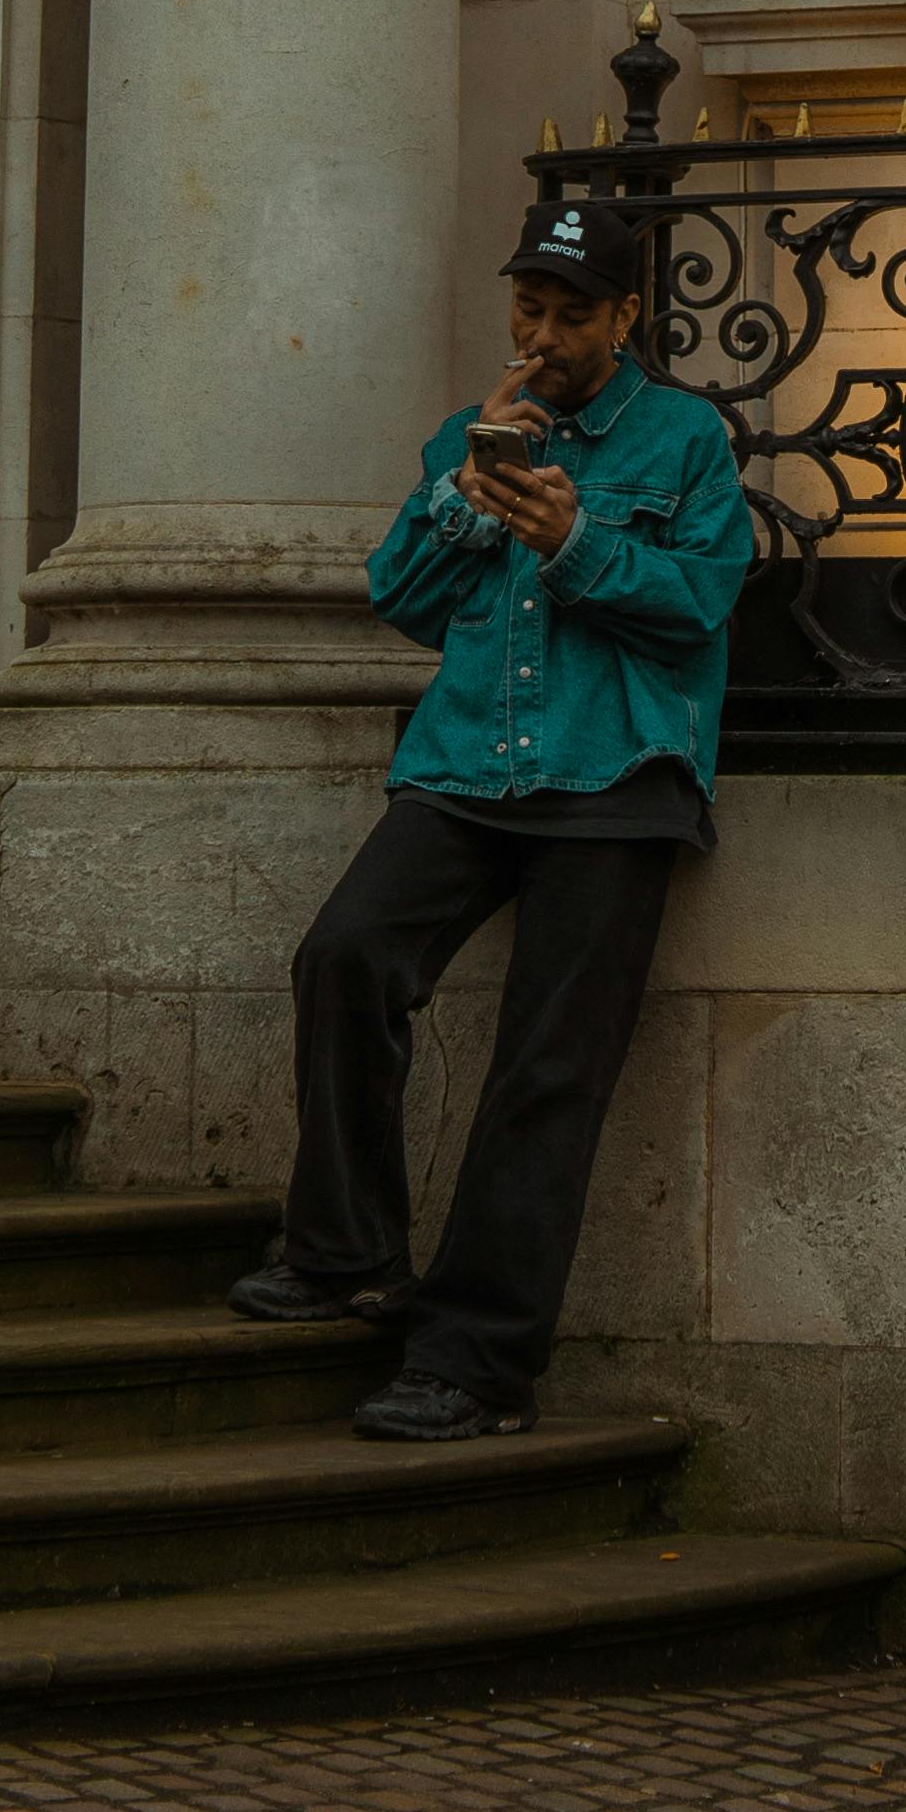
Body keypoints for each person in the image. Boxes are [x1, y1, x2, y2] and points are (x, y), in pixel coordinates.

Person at [228, 181, 750, 1441]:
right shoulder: (474, 430)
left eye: (573, 313)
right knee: (346, 955)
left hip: (615, 778)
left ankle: (474, 1361)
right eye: (530, 306)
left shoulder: (682, 442)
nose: (545, 336)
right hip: (466, 768)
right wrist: (462, 499)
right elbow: (400, 601)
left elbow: (702, 605)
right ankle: (345, 1249)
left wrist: (579, 543)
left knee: (545, 1071)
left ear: (623, 316)